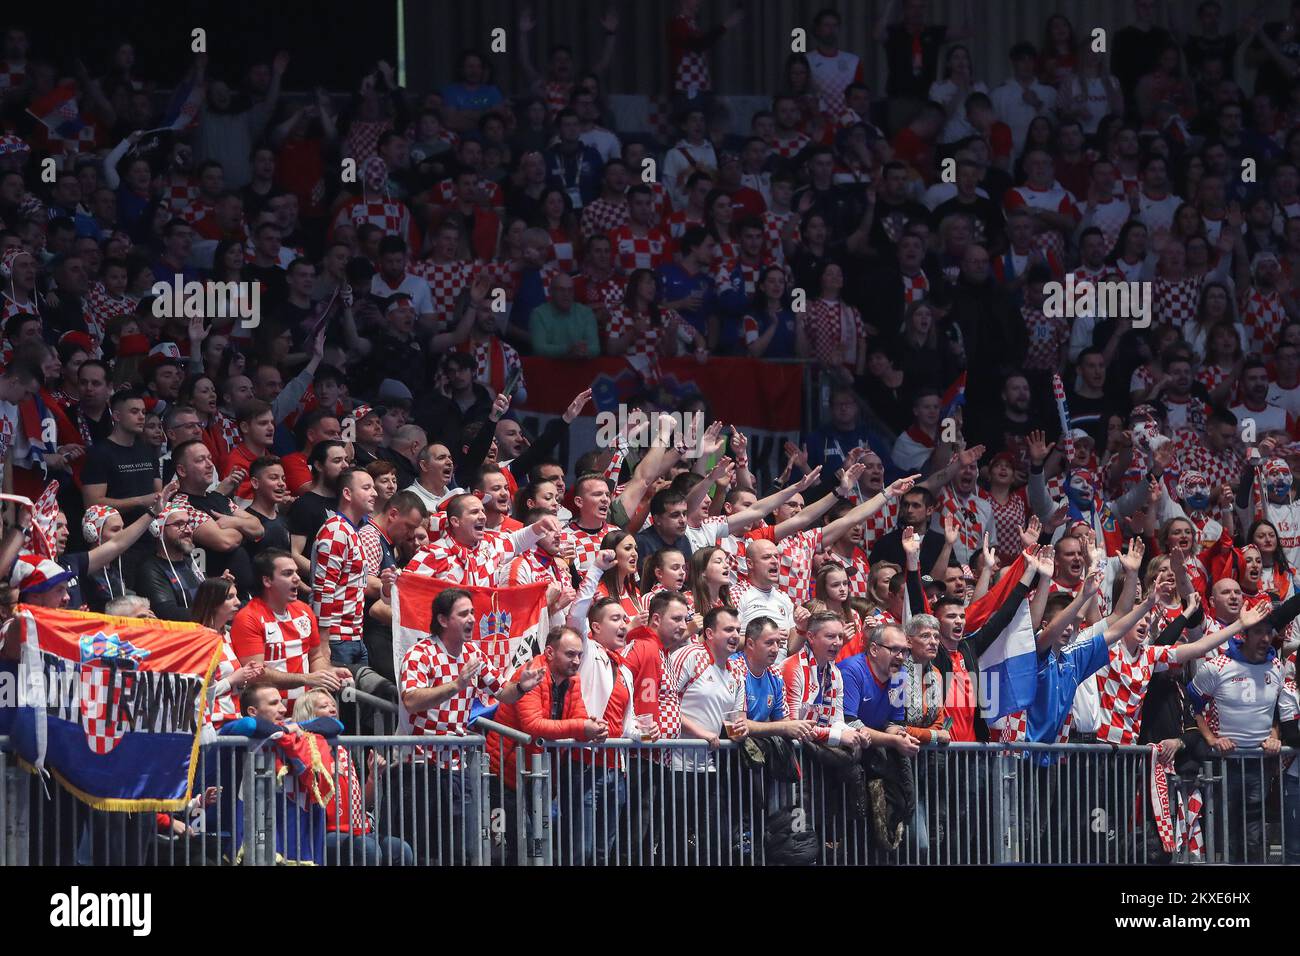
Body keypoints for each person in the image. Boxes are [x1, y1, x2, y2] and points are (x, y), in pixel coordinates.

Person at [394, 587, 544, 865]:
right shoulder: (420, 653)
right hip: (419, 765)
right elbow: (412, 700)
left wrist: (522, 686)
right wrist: (456, 685)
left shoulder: (474, 654)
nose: (472, 619)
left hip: (457, 768)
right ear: (442, 620)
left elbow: (503, 693)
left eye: (473, 613)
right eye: (463, 614)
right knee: (423, 849)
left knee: (459, 851)